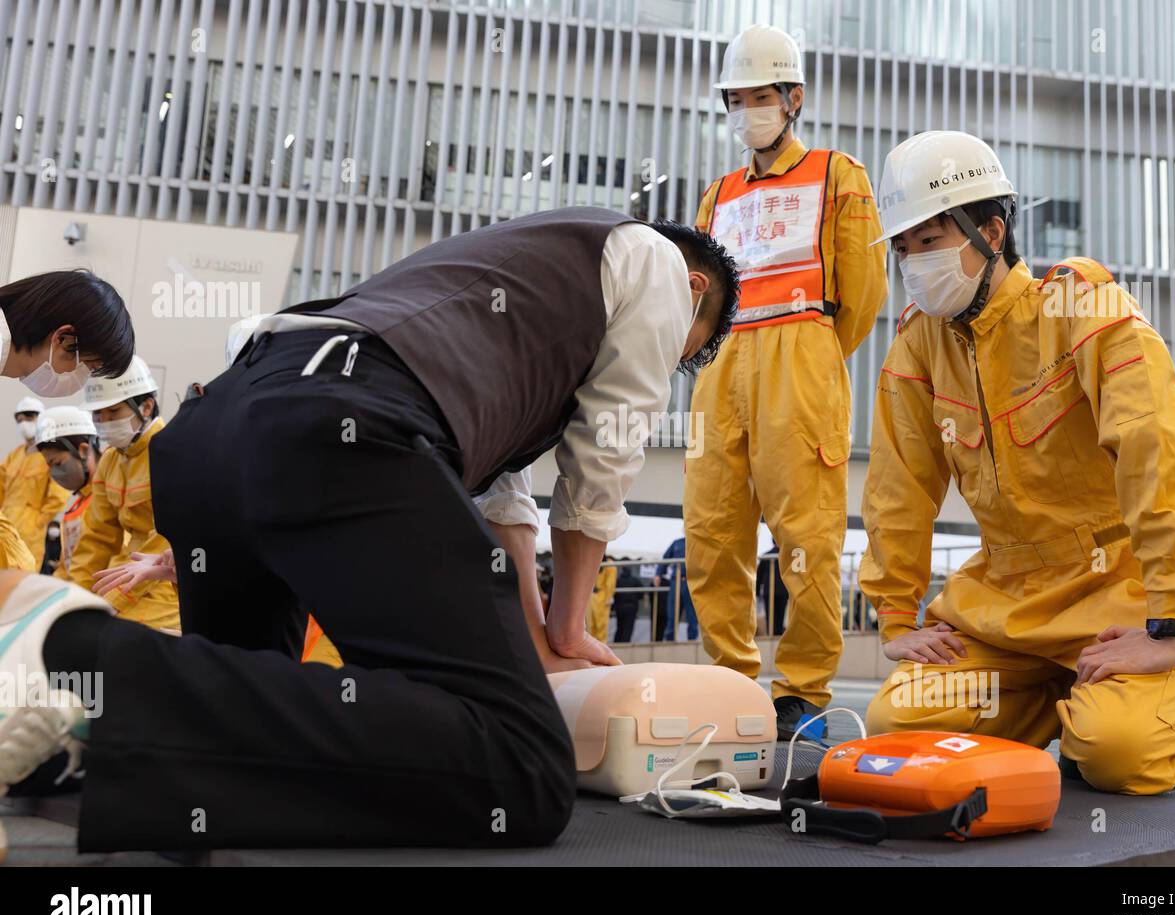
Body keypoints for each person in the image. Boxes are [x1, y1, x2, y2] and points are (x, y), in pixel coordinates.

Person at [0, 207, 738, 852]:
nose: (667, 355)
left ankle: (66, 731)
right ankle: (71, 652)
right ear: (695, 289)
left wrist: (536, 641)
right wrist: (572, 626)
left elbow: (501, 496)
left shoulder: (510, 281)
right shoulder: (658, 266)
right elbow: (607, 453)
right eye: (684, 346)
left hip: (217, 434)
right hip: (337, 426)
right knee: (521, 765)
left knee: (223, 744)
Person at [859, 131, 1175, 795]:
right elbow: (897, 490)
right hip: (1007, 608)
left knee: (1121, 755)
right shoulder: (915, 349)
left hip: (1122, 594)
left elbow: (1156, 448)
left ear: (991, 232)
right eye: (903, 248)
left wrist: (1172, 619)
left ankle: (1111, 716)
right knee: (895, 723)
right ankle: (1052, 700)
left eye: (931, 241)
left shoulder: (1080, 304)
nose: (913, 264)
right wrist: (896, 617)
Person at [684, 24, 889, 737]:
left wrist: (814, 356)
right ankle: (729, 681)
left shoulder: (838, 174)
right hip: (723, 361)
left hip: (801, 352)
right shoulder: (716, 194)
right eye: (735, 99)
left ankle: (800, 689)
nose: (747, 111)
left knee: (807, 531)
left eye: (760, 96)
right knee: (712, 529)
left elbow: (863, 290)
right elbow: (698, 294)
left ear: (794, 97)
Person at [64, 356, 180, 632]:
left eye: (113, 412)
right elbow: (97, 537)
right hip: (118, 583)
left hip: (165, 590)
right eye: (97, 415)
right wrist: (74, 597)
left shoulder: (175, 452)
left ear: (146, 406)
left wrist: (115, 598)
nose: (103, 423)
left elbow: (169, 536)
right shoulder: (110, 460)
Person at [33, 406, 101, 579]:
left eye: (57, 463)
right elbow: (69, 568)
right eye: (49, 466)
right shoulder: (77, 506)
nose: (54, 473)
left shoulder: (109, 500)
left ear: (84, 450)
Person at [0, 396, 69, 561]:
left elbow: (59, 494)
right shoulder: (13, 456)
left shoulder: (49, 454)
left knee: (24, 576)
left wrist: (37, 521)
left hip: (30, 530)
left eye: (29, 416)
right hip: (5, 526)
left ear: (42, 419)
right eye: (20, 419)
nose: (24, 422)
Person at [654, 536, 697, 641]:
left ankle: (692, 639)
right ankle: (669, 638)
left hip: (691, 581)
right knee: (672, 612)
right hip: (676, 581)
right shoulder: (677, 543)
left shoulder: (698, 543)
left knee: (691, 613)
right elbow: (665, 558)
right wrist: (658, 574)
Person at [756, 543, 788, 636]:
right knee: (780, 616)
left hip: (768, 592)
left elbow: (759, 576)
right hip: (783, 590)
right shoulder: (786, 556)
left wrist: (757, 592)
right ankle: (778, 635)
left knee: (771, 616)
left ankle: (772, 634)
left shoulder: (766, 556)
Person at [585, 558, 617, 643]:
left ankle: (601, 647)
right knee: (591, 625)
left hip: (602, 596)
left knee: (601, 625)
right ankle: (593, 646)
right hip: (591, 595)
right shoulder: (592, 559)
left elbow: (610, 583)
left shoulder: (609, 564)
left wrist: (609, 597)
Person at [611, 562, 643, 644]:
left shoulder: (617, 580)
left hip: (619, 607)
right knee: (628, 629)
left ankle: (616, 646)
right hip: (631, 608)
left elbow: (613, 593)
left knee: (620, 628)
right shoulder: (635, 581)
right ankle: (624, 647)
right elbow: (641, 595)